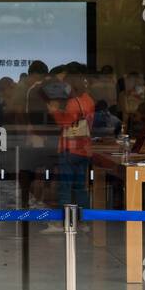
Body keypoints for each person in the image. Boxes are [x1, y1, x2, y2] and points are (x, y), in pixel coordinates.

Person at [43, 69, 96, 232]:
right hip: (84, 149)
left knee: (65, 187)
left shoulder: (73, 103)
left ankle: (62, 222)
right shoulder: (89, 100)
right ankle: (85, 221)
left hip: (69, 149)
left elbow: (65, 124)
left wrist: (54, 112)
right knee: (80, 187)